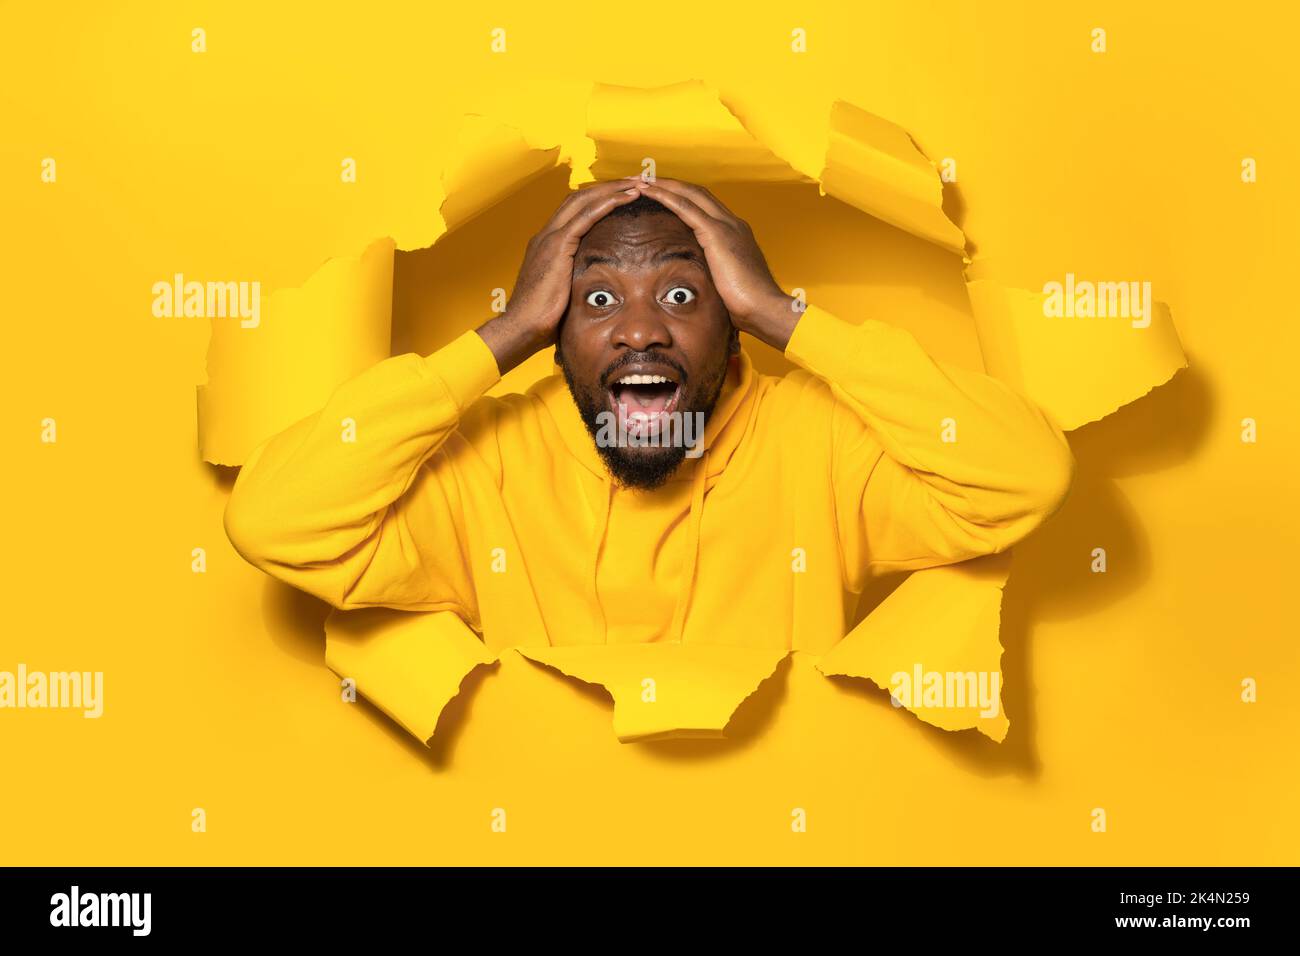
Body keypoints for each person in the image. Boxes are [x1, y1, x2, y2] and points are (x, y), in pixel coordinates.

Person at [224, 178, 1074, 652]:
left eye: (679, 293)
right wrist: (502, 336)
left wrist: (786, 314)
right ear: (554, 333)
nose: (638, 329)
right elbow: (274, 523)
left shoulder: (816, 443)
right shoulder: (484, 466)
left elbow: (1024, 476)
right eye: (596, 298)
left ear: (732, 327)